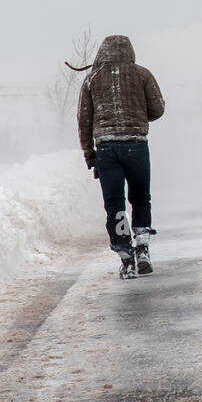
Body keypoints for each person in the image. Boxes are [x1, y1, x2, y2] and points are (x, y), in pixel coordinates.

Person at [76, 35, 165, 278]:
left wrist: (89, 153)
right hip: (136, 146)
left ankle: (126, 256)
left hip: (107, 151)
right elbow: (157, 109)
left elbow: (84, 120)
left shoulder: (92, 79)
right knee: (140, 199)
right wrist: (137, 114)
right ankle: (143, 247)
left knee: (115, 205)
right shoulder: (142, 74)